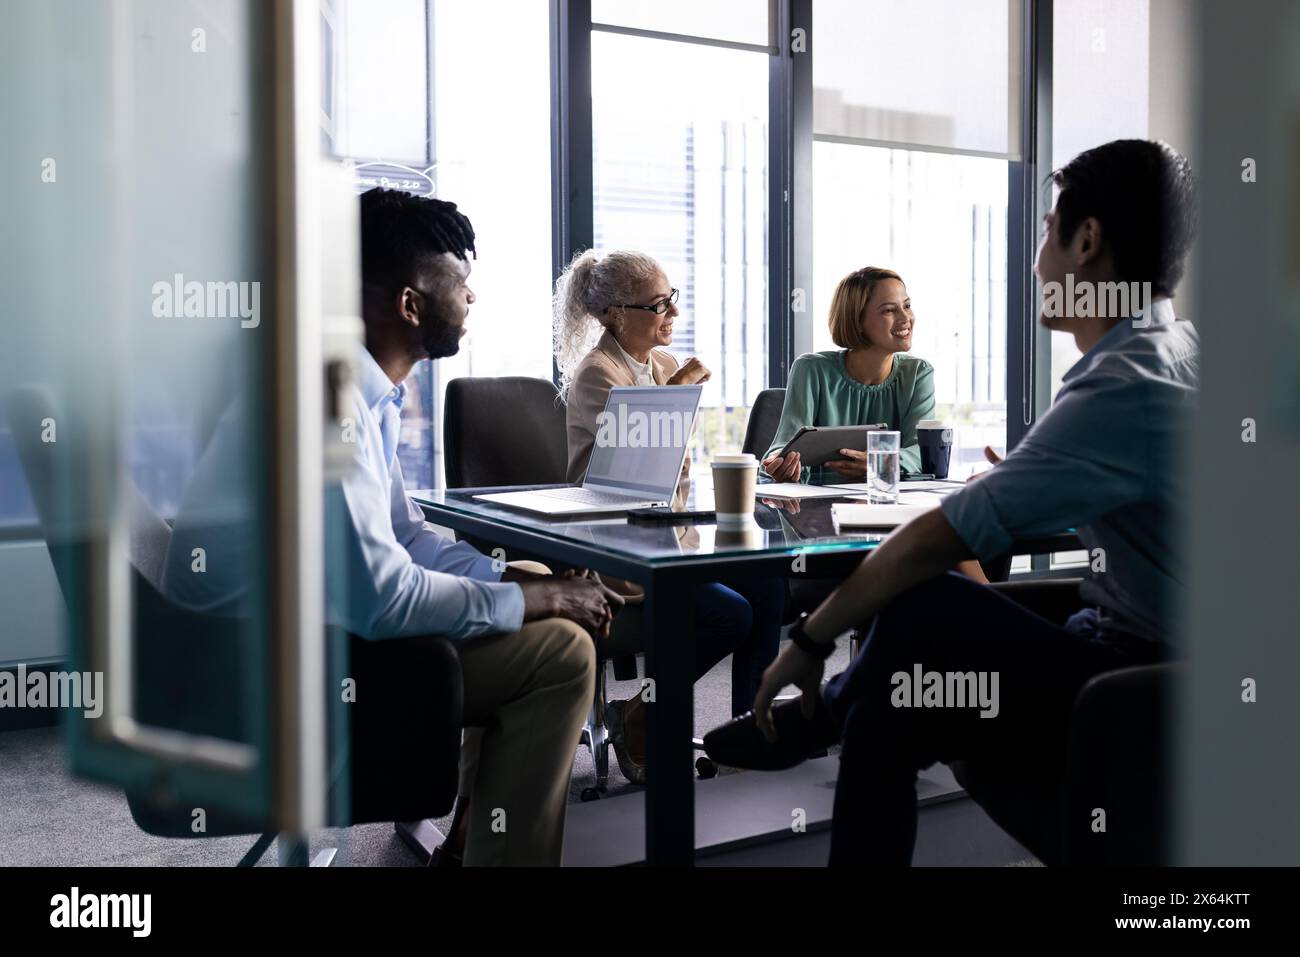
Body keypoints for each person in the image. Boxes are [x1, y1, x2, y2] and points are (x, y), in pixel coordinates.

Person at [724, 138, 1199, 865]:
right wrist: (1037, 485)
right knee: (903, 670)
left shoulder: (1119, 385)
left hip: (1134, 680)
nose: (1039, 256)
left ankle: (827, 711)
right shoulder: (1183, 351)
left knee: (921, 605)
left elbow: (931, 537)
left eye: (1046, 229)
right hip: (1149, 645)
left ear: (1088, 240)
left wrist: (809, 639)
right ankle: (842, 711)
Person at [164, 188, 624, 867]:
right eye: (461, 284)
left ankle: (474, 832)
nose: (473, 299)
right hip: (260, 683)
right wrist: (541, 598)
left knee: (523, 583)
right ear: (411, 305)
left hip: (298, 638)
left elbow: (406, 537)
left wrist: (515, 580)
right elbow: (384, 597)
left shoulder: (354, 387)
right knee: (562, 656)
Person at [553, 247, 784, 784]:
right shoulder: (597, 374)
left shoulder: (659, 365)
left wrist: (674, 389)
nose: (672, 315)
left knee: (769, 584)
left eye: (672, 300)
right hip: (617, 550)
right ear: (614, 313)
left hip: (672, 543)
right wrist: (676, 395)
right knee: (730, 614)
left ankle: (747, 739)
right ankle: (637, 714)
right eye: (659, 305)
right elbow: (627, 477)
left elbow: (678, 478)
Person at [762, 267, 935, 485]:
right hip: (813, 511)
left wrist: (882, 462)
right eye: (889, 310)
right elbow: (782, 447)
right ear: (857, 320)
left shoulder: (918, 373)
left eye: (907, 306)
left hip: (887, 507)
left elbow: (922, 451)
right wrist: (779, 465)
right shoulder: (810, 370)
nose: (906, 318)